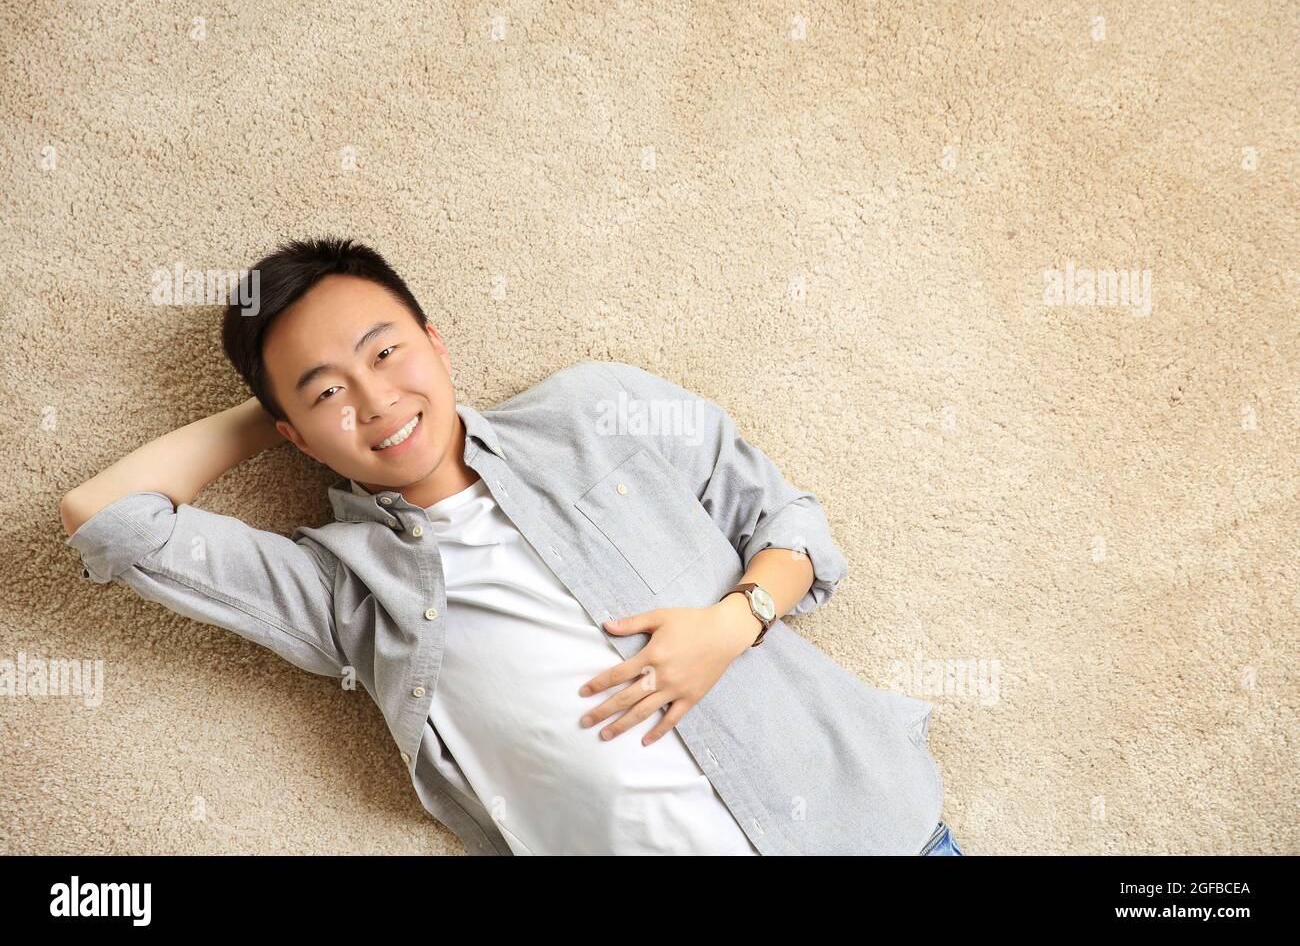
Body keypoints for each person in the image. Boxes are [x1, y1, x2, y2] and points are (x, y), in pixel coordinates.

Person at [61, 236, 953, 855]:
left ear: (436, 344)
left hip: (867, 830)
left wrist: (733, 621)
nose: (375, 401)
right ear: (294, 434)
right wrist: (276, 406)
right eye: (328, 392)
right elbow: (107, 516)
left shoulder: (593, 410)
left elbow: (792, 522)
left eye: (385, 353)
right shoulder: (343, 587)